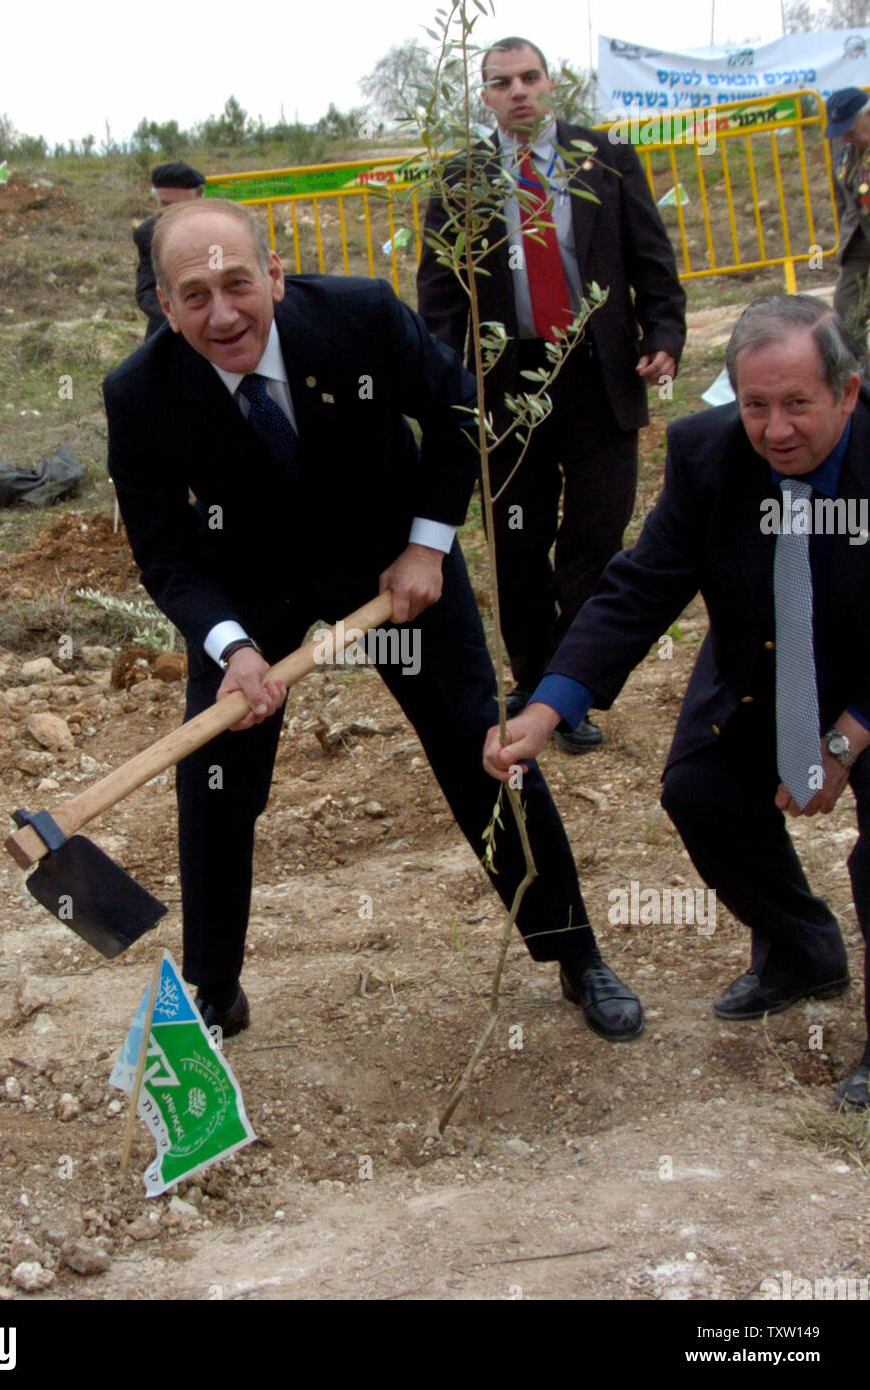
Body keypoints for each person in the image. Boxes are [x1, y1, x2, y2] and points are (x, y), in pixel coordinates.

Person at [104, 198, 643, 1043]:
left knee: (482, 752)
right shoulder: (140, 396)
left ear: (274, 276)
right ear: (164, 307)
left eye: (238, 283)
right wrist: (232, 646)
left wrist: (428, 545)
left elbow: (463, 412)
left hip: (397, 568)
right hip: (251, 597)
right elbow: (166, 552)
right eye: (195, 295)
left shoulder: (358, 318)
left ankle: (574, 952)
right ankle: (215, 988)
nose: (223, 313)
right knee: (211, 783)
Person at [484, 296, 870, 1109]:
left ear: (846, 392)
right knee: (701, 790)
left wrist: (839, 745)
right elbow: (639, 588)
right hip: (770, 659)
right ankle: (802, 954)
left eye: (798, 403)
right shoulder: (706, 455)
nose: (774, 430)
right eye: (755, 405)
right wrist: (548, 708)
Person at [417, 35, 686, 752]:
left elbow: (648, 258)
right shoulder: (460, 179)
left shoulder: (606, 158)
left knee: (596, 532)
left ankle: (572, 689)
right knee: (516, 540)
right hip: (507, 387)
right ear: (485, 96)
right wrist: (452, 381)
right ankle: (532, 677)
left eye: (529, 78)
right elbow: (440, 294)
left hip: (599, 375)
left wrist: (663, 331)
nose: (518, 92)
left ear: (551, 83)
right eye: (501, 82)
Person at [133, 161, 205, 339]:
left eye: (179, 205)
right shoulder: (147, 235)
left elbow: (218, 270)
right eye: (165, 204)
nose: (170, 212)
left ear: (199, 195)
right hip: (170, 327)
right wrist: (181, 318)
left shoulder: (217, 230)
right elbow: (147, 292)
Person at [825, 86, 870, 367]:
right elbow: (842, 196)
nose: (845, 136)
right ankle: (862, 388)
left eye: (850, 129)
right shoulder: (845, 145)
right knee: (847, 316)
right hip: (859, 242)